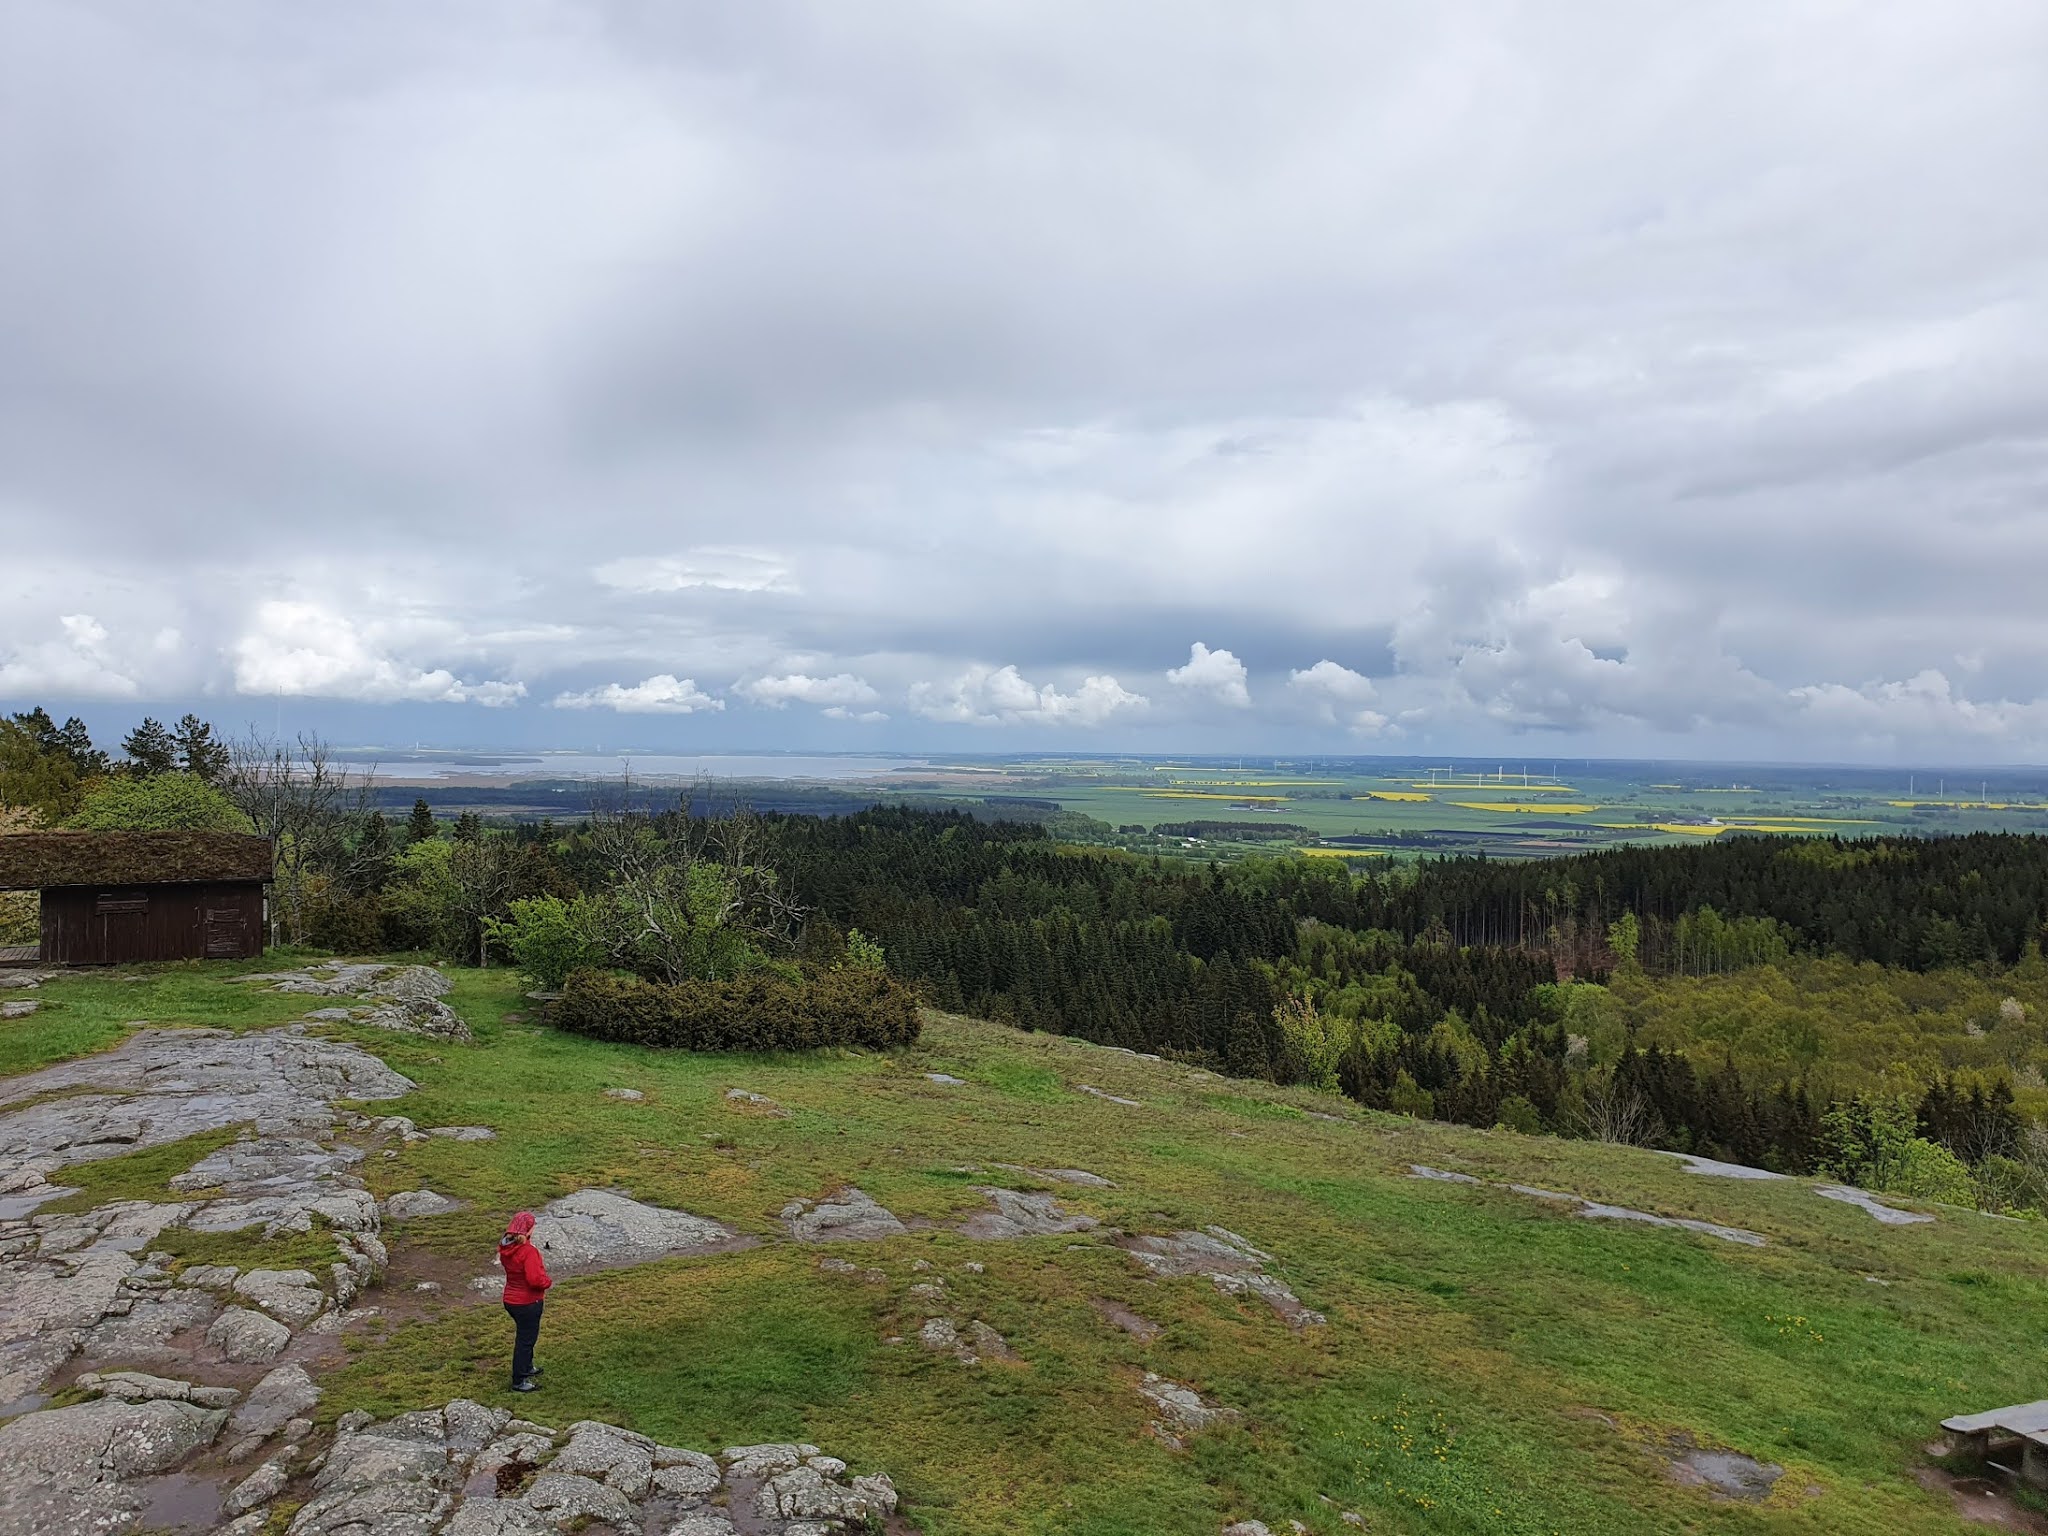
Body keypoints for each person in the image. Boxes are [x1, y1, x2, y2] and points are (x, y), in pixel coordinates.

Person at [498, 1211, 552, 1392]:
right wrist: (548, 1282)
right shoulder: (528, 1252)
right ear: (529, 1230)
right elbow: (535, 1280)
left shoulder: (506, 1249)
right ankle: (519, 1380)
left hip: (511, 1299)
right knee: (526, 1340)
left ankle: (528, 1367)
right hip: (528, 1302)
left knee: (525, 1336)